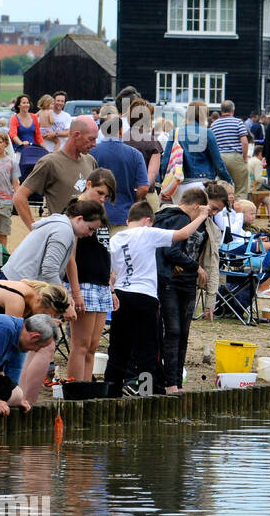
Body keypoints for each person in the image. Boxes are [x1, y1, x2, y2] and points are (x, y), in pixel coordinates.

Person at [104, 200, 213, 396]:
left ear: (128, 220)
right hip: (144, 297)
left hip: (120, 295)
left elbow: (111, 274)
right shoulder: (148, 232)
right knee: (147, 348)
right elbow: (183, 234)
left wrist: (112, 290)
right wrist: (202, 216)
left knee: (118, 346)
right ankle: (146, 393)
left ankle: (111, 392)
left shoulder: (116, 238)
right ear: (148, 220)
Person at [154, 185, 223, 394]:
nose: (212, 214)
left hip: (189, 282)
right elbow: (170, 250)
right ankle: (169, 383)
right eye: (211, 209)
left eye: (217, 211)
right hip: (171, 280)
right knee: (172, 331)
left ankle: (176, 382)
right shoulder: (178, 218)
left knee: (183, 332)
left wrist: (211, 300)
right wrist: (195, 266)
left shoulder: (210, 228)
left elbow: (213, 262)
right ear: (198, 206)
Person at [63, 169, 116, 382]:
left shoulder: (99, 212)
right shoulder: (74, 210)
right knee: (80, 345)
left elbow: (104, 249)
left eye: (106, 196)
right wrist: (75, 293)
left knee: (93, 346)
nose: (102, 199)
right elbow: (70, 257)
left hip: (101, 283)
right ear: (88, 184)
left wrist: (110, 285)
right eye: (99, 192)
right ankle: (76, 392)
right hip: (83, 284)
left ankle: (86, 391)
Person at [13, 115, 100, 228]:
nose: (94, 144)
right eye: (91, 139)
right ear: (76, 135)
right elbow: (19, 197)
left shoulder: (90, 161)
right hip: (60, 237)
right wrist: (36, 231)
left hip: (87, 238)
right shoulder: (50, 162)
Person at [164, 101, 234, 199]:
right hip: (203, 183)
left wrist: (165, 179)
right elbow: (219, 164)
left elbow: (165, 161)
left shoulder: (175, 133)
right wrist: (229, 182)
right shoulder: (208, 133)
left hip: (179, 184)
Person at [90, 112, 149, 228]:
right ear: (121, 131)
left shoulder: (92, 152)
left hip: (95, 215)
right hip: (124, 215)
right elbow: (144, 187)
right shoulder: (135, 154)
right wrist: (132, 198)